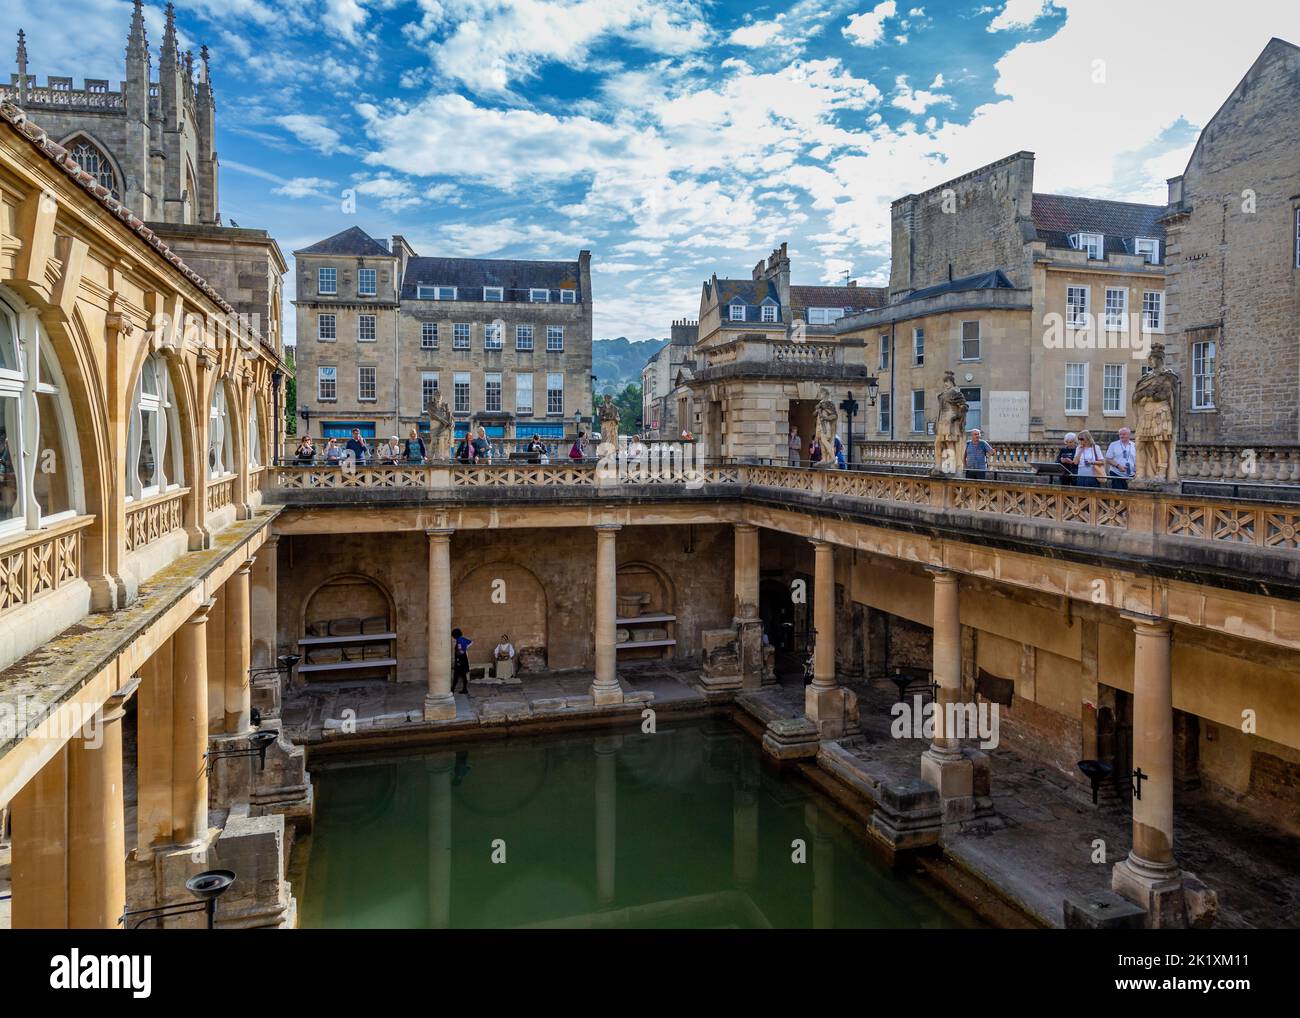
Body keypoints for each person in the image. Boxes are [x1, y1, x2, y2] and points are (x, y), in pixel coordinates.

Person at [451, 627, 472, 693]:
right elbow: (471, 642)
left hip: (460, 659)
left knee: (456, 675)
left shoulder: (458, 640)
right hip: (464, 659)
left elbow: (459, 650)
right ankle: (465, 689)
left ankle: (452, 689)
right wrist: (465, 649)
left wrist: (458, 660)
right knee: (463, 675)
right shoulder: (463, 638)